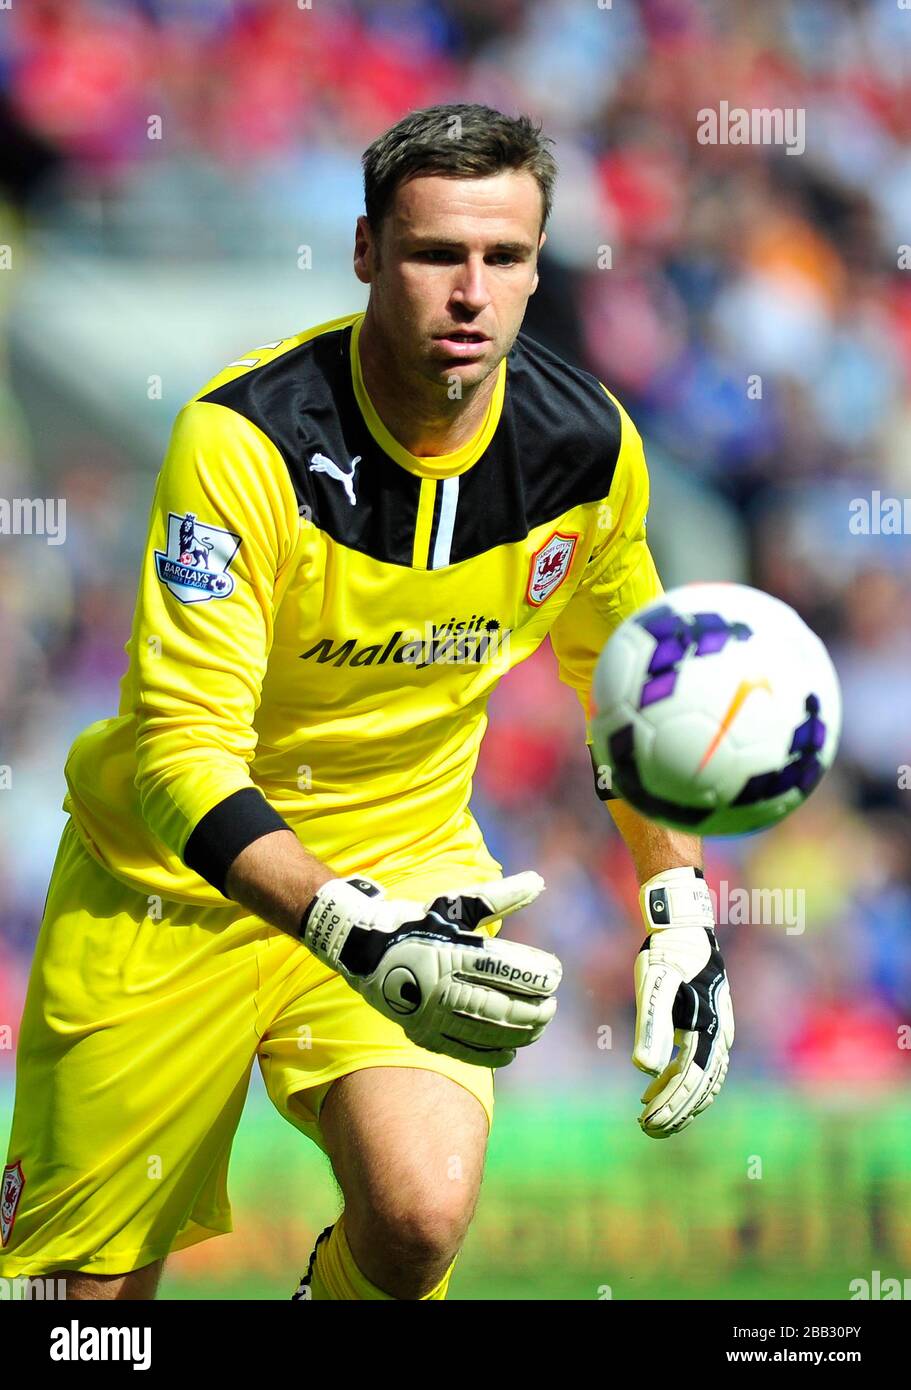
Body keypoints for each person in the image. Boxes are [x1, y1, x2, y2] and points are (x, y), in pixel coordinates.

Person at [0, 103, 733, 1302]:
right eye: (435, 253)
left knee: (418, 1216)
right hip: (165, 891)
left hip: (405, 864)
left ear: (538, 267)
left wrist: (678, 908)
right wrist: (344, 927)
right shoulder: (243, 442)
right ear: (362, 254)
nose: (469, 293)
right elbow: (178, 756)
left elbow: (628, 690)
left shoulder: (586, 448)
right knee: (87, 1325)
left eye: (502, 258)